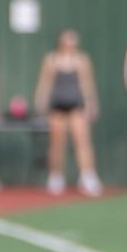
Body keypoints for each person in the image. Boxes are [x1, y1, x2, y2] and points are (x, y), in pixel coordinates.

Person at [34, 29, 102, 196]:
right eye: (68, 41)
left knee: (82, 142)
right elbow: (45, 83)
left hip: (76, 105)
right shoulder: (51, 59)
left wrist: (91, 103)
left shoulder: (82, 60)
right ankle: (56, 177)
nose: (71, 44)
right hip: (58, 106)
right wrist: (40, 101)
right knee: (57, 144)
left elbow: (87, 84)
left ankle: (88, 176)